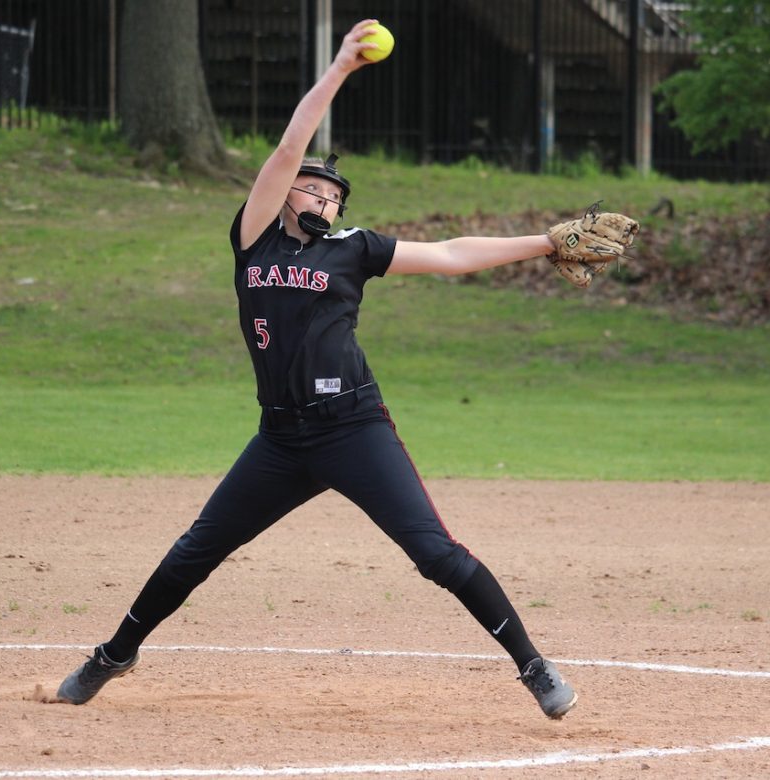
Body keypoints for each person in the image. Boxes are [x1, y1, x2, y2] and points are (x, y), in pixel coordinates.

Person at [57, 18, 577, 720]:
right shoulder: (252, 241)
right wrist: (337, 70)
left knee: (435, 555)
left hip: (354, 427)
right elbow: (288, 146)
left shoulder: (354, 250)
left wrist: (543, 243)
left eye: (334, 195)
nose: (324, 199)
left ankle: (535, 668)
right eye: (313, 189)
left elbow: (452, 253)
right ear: (284, 196)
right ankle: (114, 654)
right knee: (194, 552)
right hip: (281, 439)